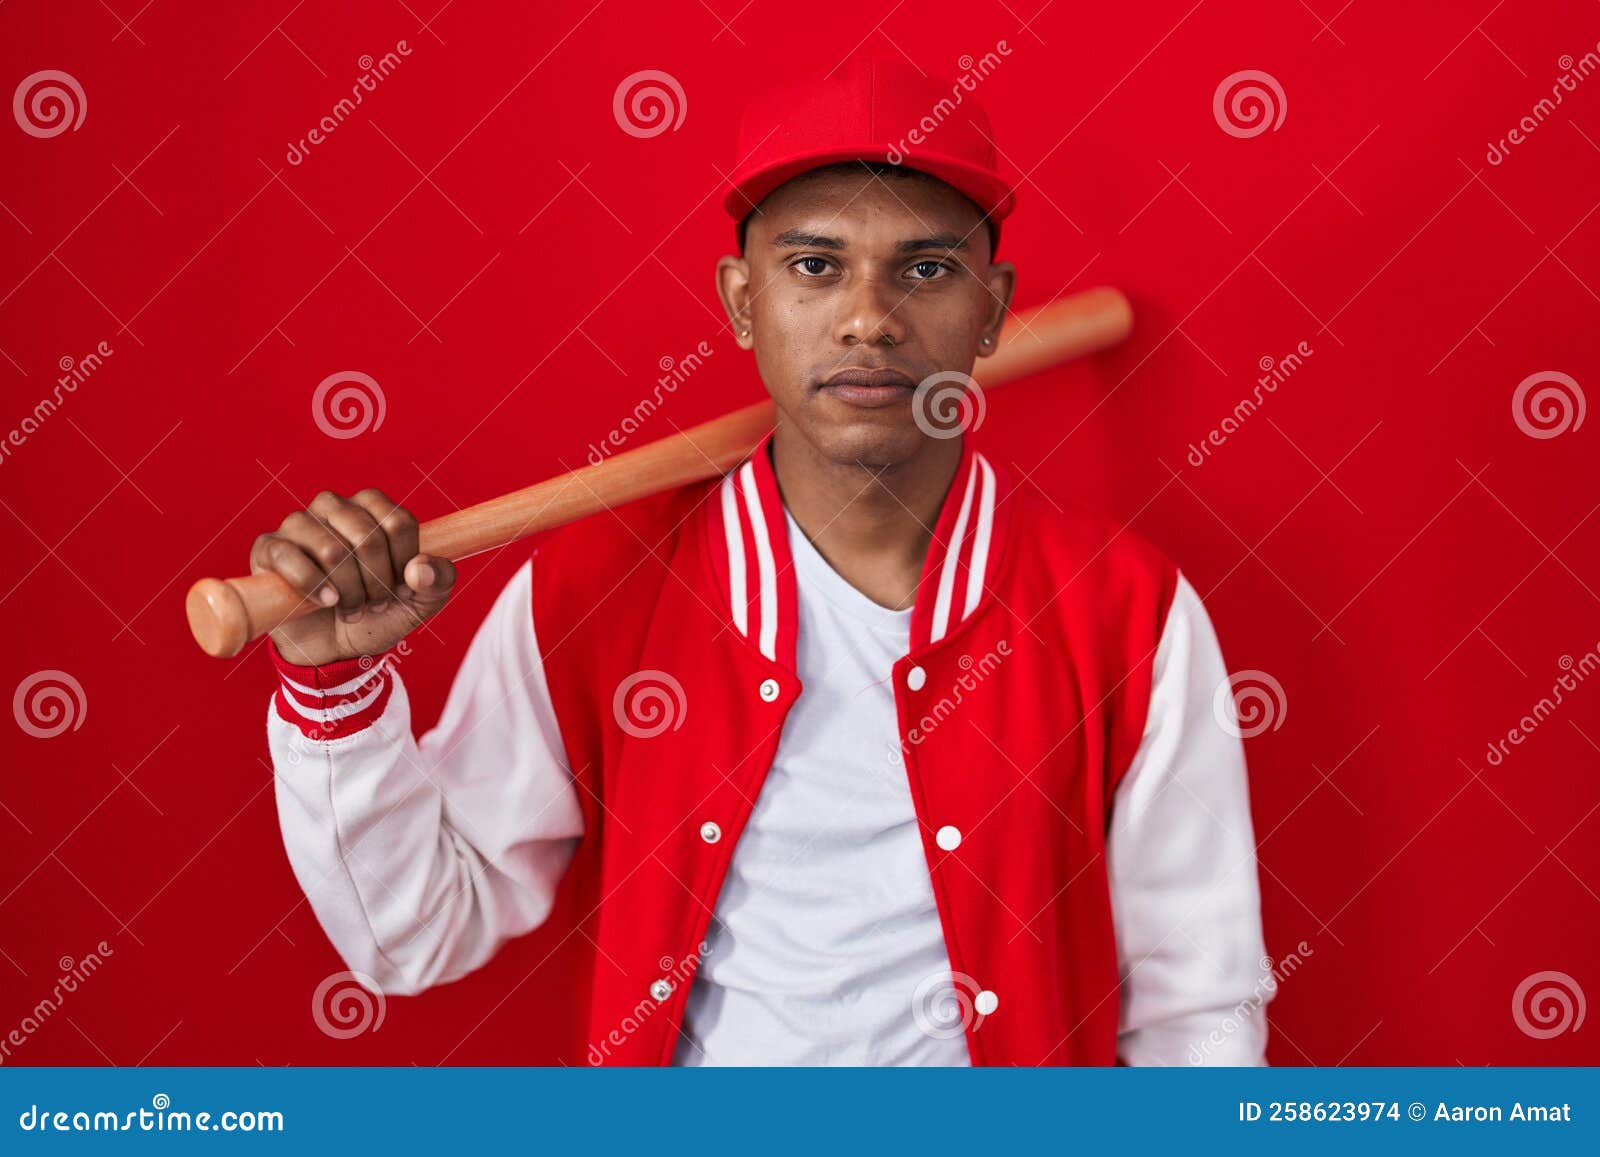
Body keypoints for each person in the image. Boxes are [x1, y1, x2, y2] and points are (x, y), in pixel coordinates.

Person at [256, 52, 1272, 1066]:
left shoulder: (1125, 609)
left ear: (991, 308)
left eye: (924, 268)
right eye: (814, 266)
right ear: (743, 301)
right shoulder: (600, 584)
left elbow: (1199, 1007)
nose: (868, 317)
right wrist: (331, 686)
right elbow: (413, 934)